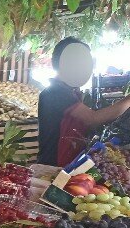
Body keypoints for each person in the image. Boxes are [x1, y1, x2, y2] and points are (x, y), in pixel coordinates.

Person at [37, 37, 130, 166]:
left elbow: (84, 125)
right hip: (55, 167)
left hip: (66, 164)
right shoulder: (56, 92)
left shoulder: (68, 91)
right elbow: (92, 119)